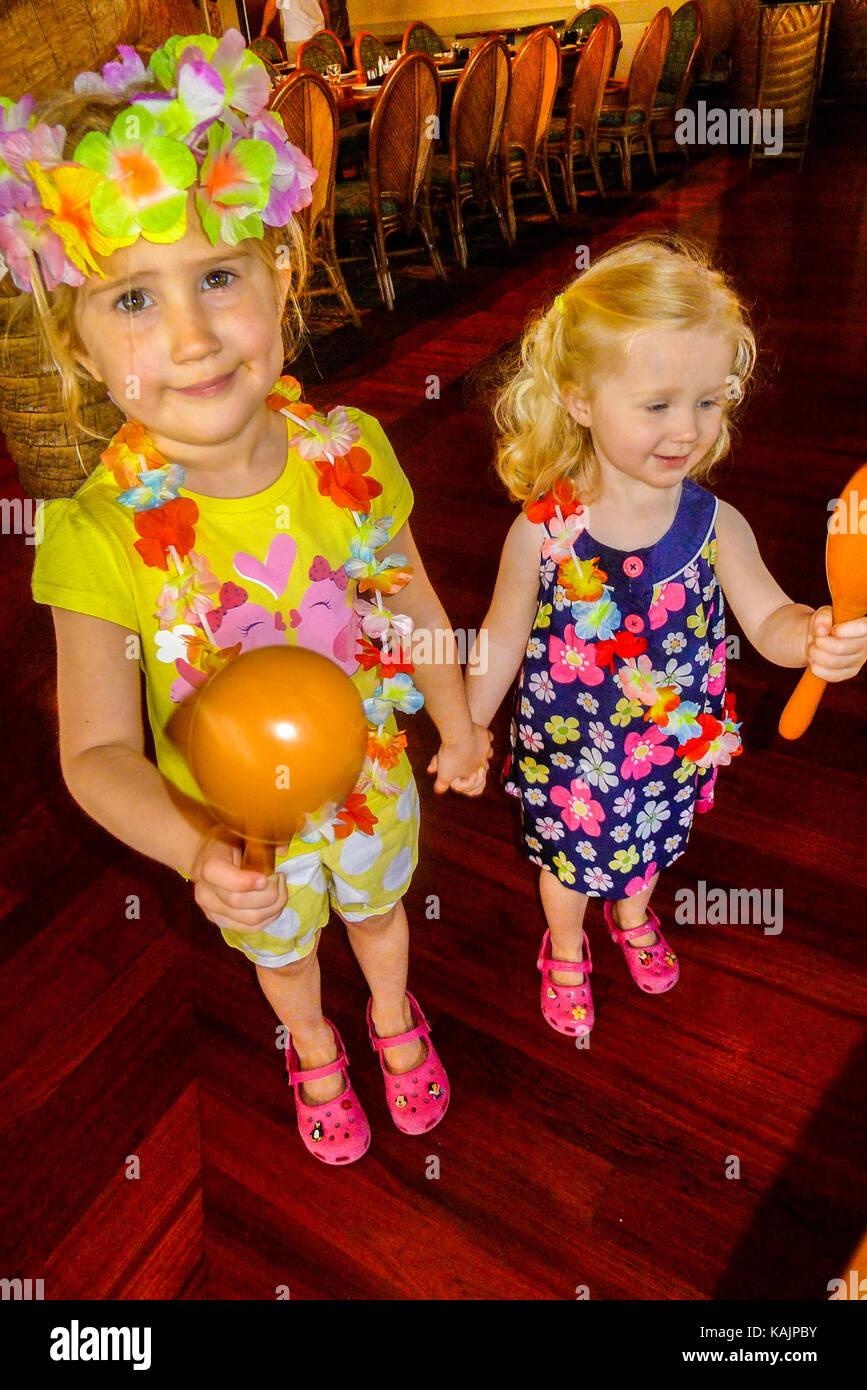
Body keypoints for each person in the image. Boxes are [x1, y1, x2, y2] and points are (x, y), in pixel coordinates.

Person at [16, 30, 491, 1164]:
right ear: (80, 352)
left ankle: (386, 1010)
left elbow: (410, 588)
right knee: (283, 948)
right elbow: (93, 753)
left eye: (217, 275)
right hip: (237, 833)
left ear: (282, 266)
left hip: (372, 779)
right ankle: (315, 1041)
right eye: (131, 297)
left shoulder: (355, 445)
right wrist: (193, 852)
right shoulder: (93, 533)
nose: (188, 335)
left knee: (379, 913)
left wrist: (460, 716)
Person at [464, 236, 867, 1039]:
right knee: (566, 867)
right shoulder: (541, 532)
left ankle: (634, 913)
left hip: (666, 747)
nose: (687, 429)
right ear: (578, 399)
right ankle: (569, 941)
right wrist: (468, 724)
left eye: (709, 401)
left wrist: (817, 636)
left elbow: (768, 618)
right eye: (657, 405)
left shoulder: (716, 525)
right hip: (571, 751)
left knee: (648, 847)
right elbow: (502, 636)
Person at [260, 0, 325, 62]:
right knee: (319, 70)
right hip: (319, 34)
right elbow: (324, 4)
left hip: (297, 37)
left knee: (299, 71)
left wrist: (263, 30)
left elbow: (272, 5)